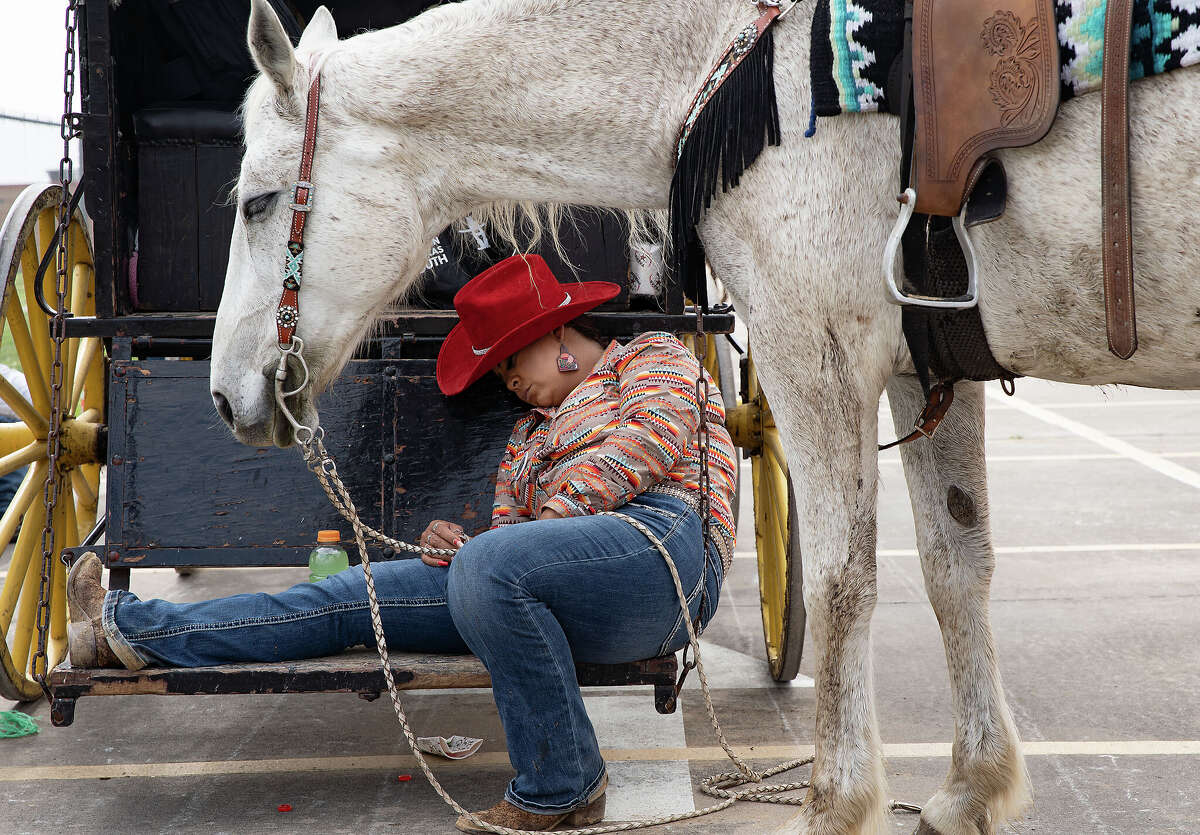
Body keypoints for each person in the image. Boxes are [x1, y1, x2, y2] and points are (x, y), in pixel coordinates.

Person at [66, 253, 737, 832]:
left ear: (558, 332)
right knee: (346, 596)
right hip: (557, 587)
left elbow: (646, 444)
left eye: (509, 358)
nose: (507, 379)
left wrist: (502, 549)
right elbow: (512, 549)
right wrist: (468, 547)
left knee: (488, 563)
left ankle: (562, 781)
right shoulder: (527, 438)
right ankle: (127, 628)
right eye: (498, 371)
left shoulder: (651, 356)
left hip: (664, 551)